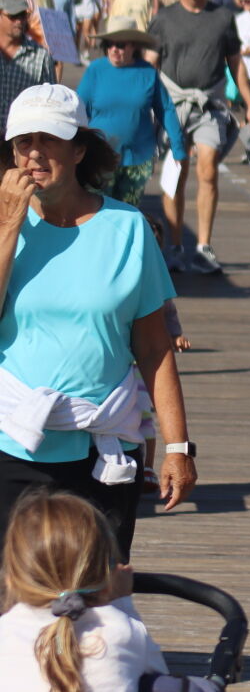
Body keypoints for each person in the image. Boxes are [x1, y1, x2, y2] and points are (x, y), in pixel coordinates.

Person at [0, 86, 193, 556]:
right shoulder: (5, 220)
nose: (35, 154)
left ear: (80, 149)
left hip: (102, 452)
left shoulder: (128, 228)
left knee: (97, 603)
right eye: (24, 141)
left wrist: (177, 447)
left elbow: (152, 347)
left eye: (51, 140)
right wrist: (8, 225)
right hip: (12, 447)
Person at [148, 0, 250, 275]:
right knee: (176, 173)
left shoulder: (223, 18)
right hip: (172, 104)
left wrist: (249, 104)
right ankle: (174, 246)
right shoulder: (164, 19)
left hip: (210, 103)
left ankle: (204, 246)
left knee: (208, 167)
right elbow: (150, 64)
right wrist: (146, 105)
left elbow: (236, 64)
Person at [0, 490, 171, 691]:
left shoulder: (6, 631)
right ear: (104, 572)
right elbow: (160, 680)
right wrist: (122, 602)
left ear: (11, 577)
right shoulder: (123, 631)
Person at [75, 23, 185, 208]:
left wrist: (178, 146)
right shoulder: (95, 70)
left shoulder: (147, 73)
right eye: (109, 44)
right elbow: (78, 109)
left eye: (120, 45)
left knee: (129, 212)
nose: (114, 49)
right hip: (100, 158)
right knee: (98, 211)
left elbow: (165, 109)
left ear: (133, 46)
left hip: (138, 158)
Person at [0, 0, 55, 127]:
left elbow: (50, 104)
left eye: (23, 15)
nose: (19, 21)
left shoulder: (40, 56)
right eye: (13, 16)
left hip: (20, 138)